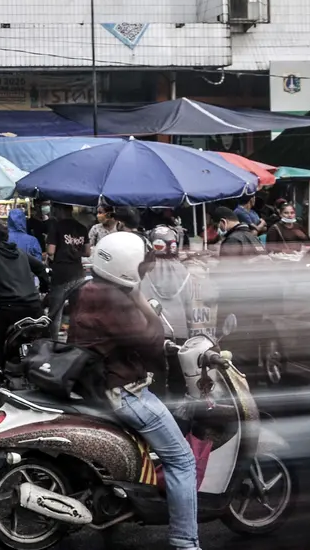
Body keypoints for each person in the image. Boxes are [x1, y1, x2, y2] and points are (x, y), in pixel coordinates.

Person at [67, 232, 200, 550]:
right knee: (182, 460)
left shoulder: (90, 288)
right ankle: (186, 541)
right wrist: (140, 297)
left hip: (99, 386)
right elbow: (152, 339)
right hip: (124, 392)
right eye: (139, 268)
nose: (143, 273)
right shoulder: (113, 299)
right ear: (127, 268)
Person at [0, 221, 48, 409]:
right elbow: (41, 268)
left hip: (8, 309)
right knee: (40, 346)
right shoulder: (21, 254)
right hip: (34, 308)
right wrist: (44, 290)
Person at [141, 226, 195, 341]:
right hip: (179, 333)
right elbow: (190, 308)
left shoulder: (143, 269)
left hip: (149, 332)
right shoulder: (184, 271)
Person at [46, 203, 91, 339]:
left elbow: (50, 251)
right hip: (78, 273)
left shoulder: (57, 227)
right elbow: (88, 252)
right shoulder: (82, 228)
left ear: (60, 210)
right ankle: (75, 341)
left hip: (61, 274)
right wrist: (75, 252)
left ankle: (52, 342)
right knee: (76, 311)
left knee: (55, 312)